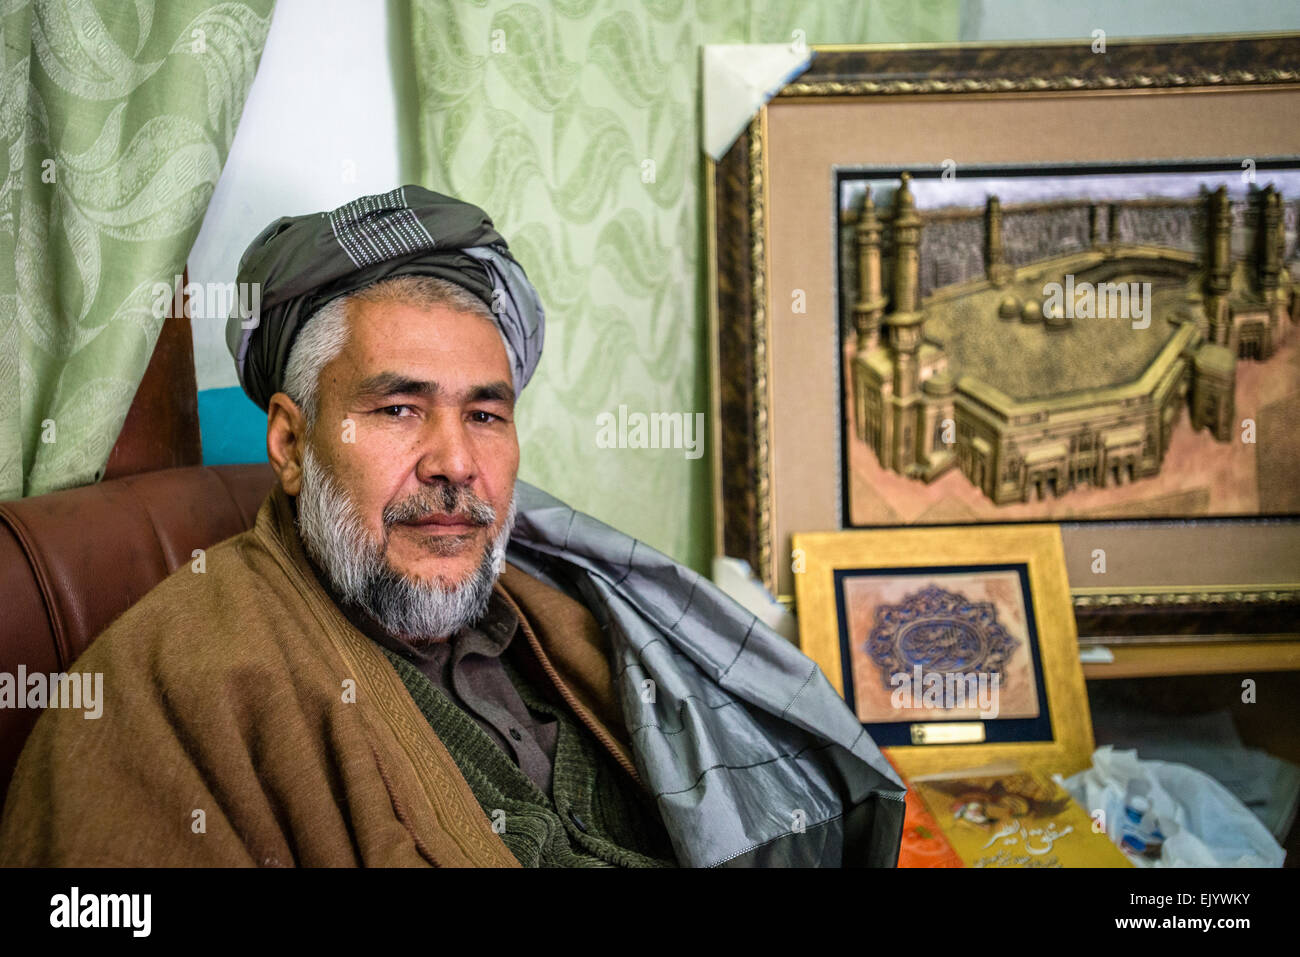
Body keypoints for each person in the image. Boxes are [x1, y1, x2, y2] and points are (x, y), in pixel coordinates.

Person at [0, 186, 904, 867]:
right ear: (290, 440)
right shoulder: (160, 695)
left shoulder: (572, 619)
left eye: (485, 414)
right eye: (398, 409)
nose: (455, 463)